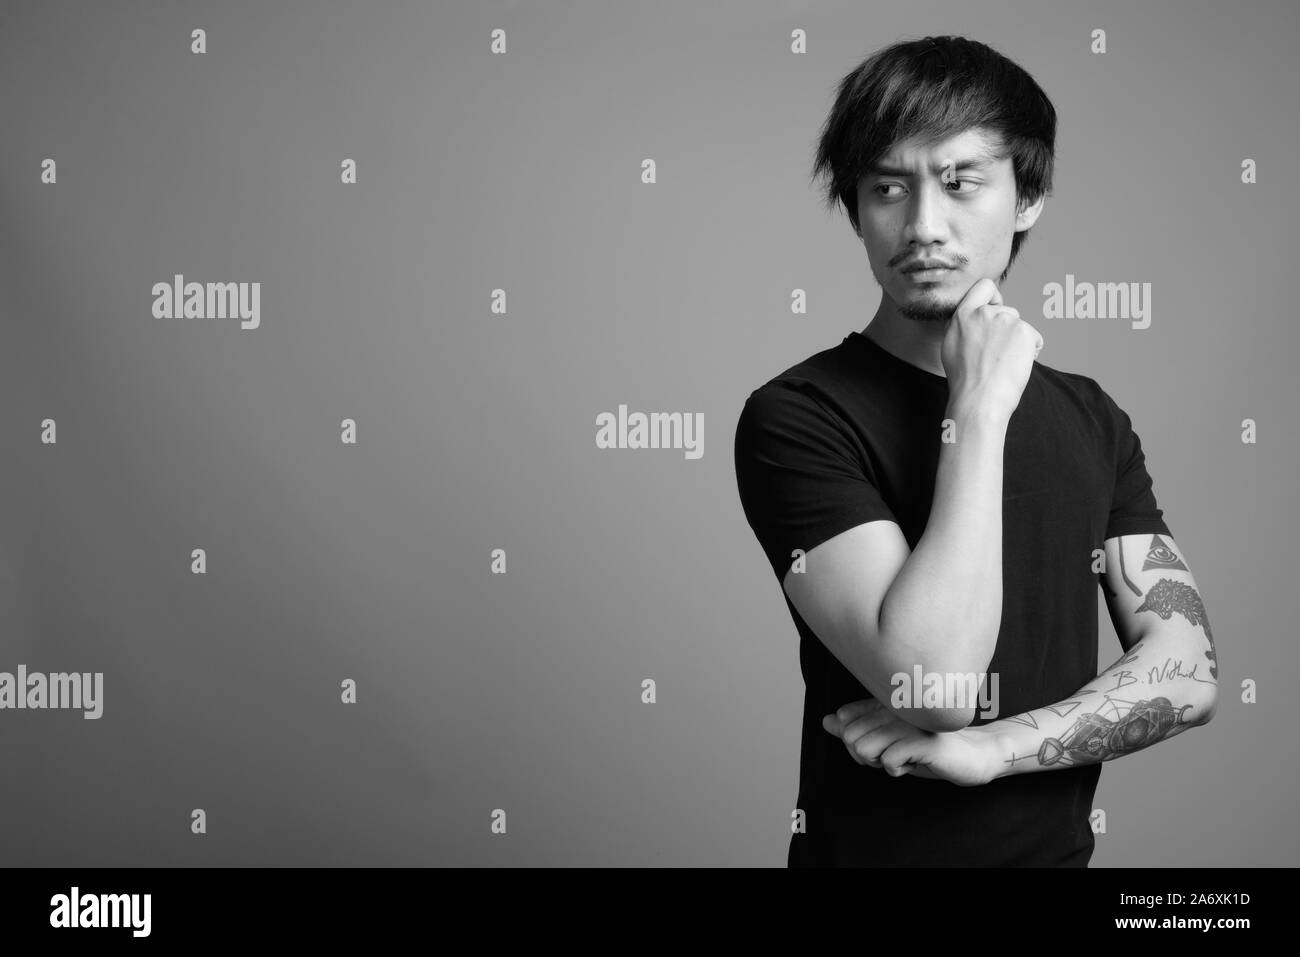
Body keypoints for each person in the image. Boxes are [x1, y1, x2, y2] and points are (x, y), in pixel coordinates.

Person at [732, 35, 1219, 867]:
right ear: (855, 207)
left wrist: (995, 751)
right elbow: (938, 688)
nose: (924, 225)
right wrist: (981, 407)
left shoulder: (1090, 415)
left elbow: (1189, 669)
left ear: (1026, 198)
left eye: (962, 184)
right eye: (889, 187)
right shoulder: (798, 417)